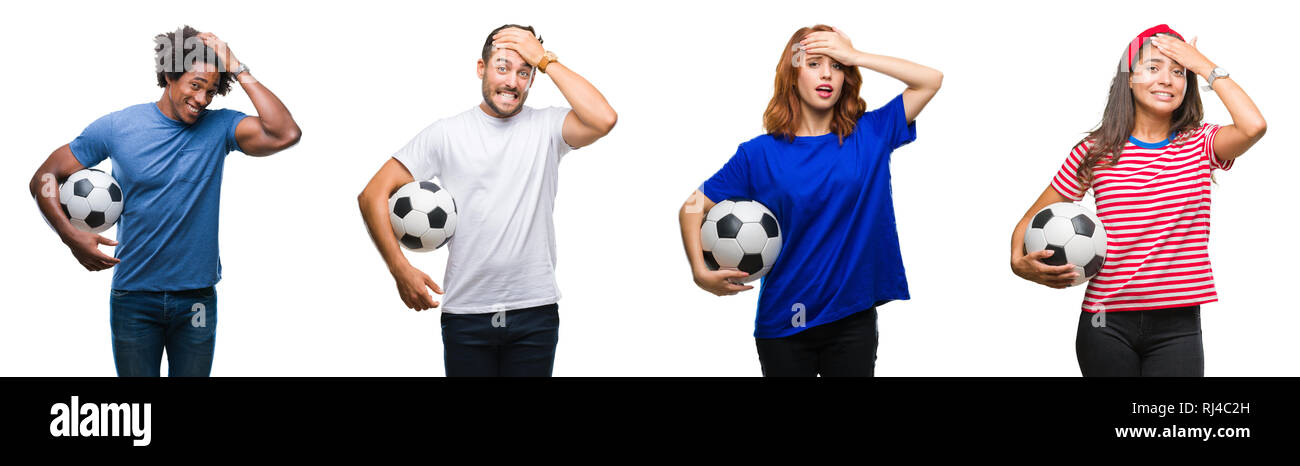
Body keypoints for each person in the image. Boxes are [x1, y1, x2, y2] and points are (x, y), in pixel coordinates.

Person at [27, 25, 302, 376]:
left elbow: (286, 133)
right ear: (170, 76)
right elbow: (45, 177)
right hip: (134, 297)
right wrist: (69, 236)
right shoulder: (118, 127)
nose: (202, 99)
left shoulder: (220, 128)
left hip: (197, 299)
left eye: (211, 91)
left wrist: (237, 66)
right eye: (195, 85)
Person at [677, 25, 942, 377]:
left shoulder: (872, 132)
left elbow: (930, 80)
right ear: (792, 75)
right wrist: (699, 272)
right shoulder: (759, 154)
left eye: (837, 65)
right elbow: (692, 206)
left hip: (851, 319)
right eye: (814, 63)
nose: (827, 74)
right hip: (784, 321)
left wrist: (856, 56)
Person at [357, 24, 617, 377]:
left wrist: (545, 60)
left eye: (524, 72)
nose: (512, 81)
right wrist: (400, 269)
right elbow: (373, 194)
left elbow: (604, 118)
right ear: (481, 68)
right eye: (502, 67)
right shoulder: (446, 134)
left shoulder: (548, 128)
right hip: (467, 313)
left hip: (534, 311)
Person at [1008, 25, 1266, 377]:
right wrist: (1018, 263)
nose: (1168, 79)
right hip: (1104, 324)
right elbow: (1030, 220)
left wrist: (1203, 64)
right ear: (1129, 79)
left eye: (1179, 71)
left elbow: (1253, 126)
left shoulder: (1201, 144)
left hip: (1178, 328)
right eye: (1153, 67)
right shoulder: (1094, 152)